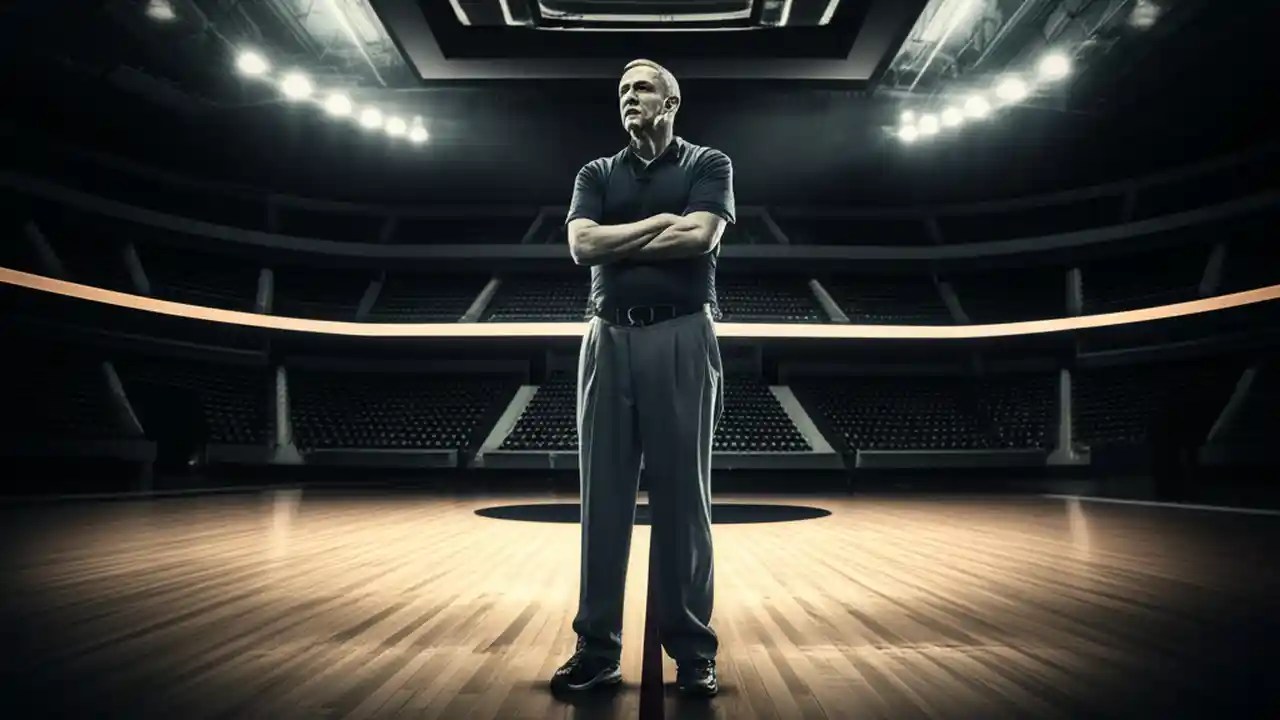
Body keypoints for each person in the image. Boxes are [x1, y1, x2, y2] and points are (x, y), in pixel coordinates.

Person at [549, 58, 733, 698]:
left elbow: (700, 235)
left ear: (671, 101)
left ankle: (694, 653)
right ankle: (597, 650)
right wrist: (659, 223)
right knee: (602, 502)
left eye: (643, 88)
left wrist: (619, 237)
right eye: (623, 89)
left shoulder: (709, 164)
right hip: (605, 336)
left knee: (684, 503)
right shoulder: (595, 173)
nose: (630, 96)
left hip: (682, 333)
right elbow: (582, 247)